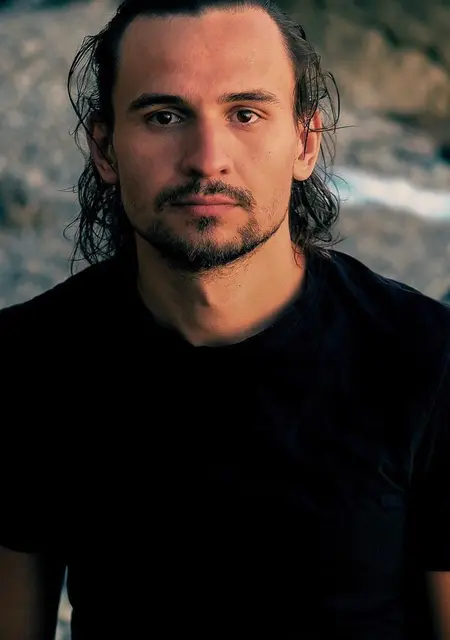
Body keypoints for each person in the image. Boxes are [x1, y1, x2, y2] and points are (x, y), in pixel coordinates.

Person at [1, 0, 449, 638]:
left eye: (245, 113)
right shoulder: (27, 361)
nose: (207, 158)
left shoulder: (427, 361)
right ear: (104, 148)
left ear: (305, 142)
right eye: (164, 116)